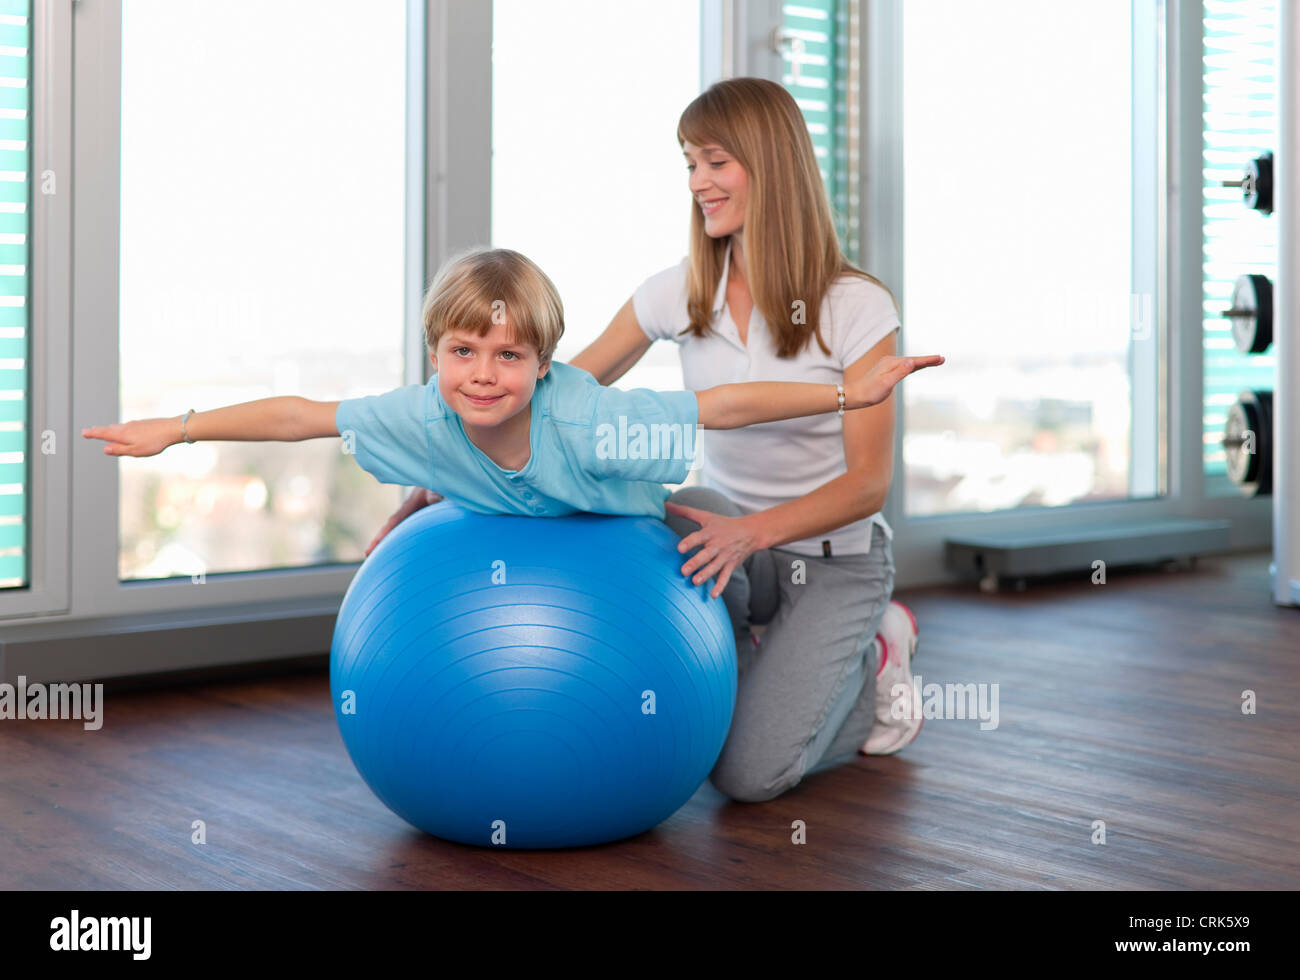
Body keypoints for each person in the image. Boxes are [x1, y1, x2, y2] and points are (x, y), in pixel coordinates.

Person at [367, 78, 937, 803]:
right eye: (690, 165)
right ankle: (770, 657)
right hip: (733, 542)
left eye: (715, 162)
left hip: (834, 563)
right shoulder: (682, 291)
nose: (699, 182)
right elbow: (556, 393)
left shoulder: (856, 305)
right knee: (686, 502)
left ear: (770, 163)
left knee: (744, 777)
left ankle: (876, 655)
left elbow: (866, 486)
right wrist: (439, 470)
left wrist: (749, 535)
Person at [82, 245, 940, 553]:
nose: (483, 375)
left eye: (508, 355)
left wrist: (841, 393)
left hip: (647, 525)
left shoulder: (587, 417)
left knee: (711, 531)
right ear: (434, 352)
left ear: (544, 363)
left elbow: (719, 408)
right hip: (527, 528)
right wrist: (178, 429)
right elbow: (301, 416)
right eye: (462, 352)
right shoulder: (419, 414)